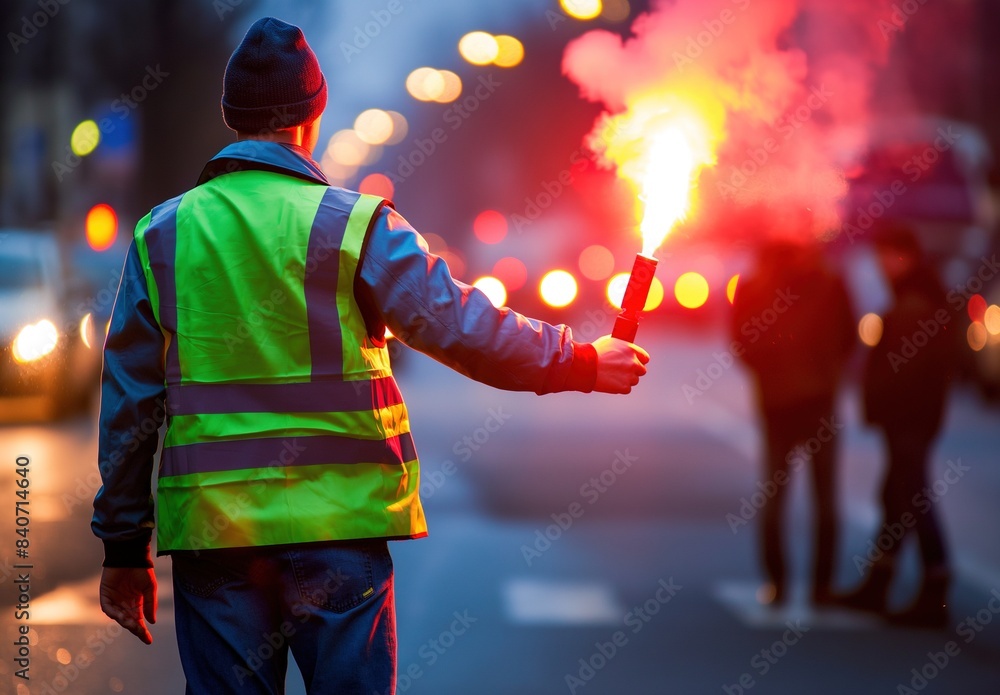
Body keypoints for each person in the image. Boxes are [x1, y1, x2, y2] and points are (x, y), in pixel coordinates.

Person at [91, 17, 650, 694]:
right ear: (314, 114)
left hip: (219, 537)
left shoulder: (165, 234)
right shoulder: (354, 226)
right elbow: (463, 327)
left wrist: (125, 546)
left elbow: (129, 402)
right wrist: (582, 361)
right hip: (338, 533)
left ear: (231, 116)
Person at [835, 223, 959, 628]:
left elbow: (905, 371)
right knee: (896, 497)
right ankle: (882, 581)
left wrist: (882, 405)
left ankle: (934, 587)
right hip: (911, 418)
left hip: (910, 419)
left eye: (886, 256)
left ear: (903, 256)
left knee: (913, 497)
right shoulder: (919, 293)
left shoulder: (916, 301)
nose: (881, 266)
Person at [731, 236, 855, 606]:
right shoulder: (830, 281)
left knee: (774, 495)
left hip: (775, 404)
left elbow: (741, 343)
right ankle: (821, 586)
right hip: (820, 402)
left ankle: (777, 584)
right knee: (826, 498)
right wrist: (824, 372)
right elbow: (849, 338)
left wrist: (770, 376)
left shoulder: (753, 286)